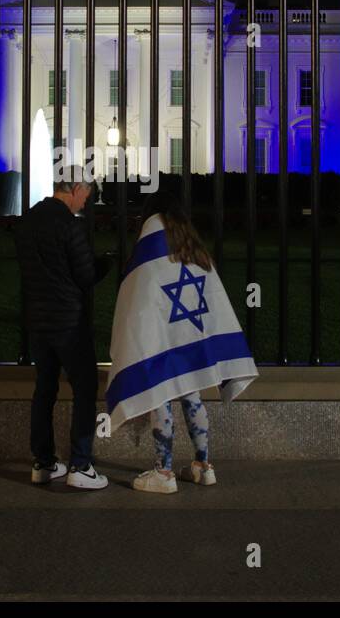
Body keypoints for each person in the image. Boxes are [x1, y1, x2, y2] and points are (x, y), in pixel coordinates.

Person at [106, 192, 257, 494]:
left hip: (162, 340)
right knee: (192, 393)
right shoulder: (193, 249)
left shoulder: (148, 252)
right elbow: (213, 298)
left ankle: (163, 471)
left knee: (161, 392)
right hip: (192, 338)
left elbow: (136, 302)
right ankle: (203, 465)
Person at [13, 166, 114, 489]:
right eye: (87, 193)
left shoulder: (27, 220)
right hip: (69, 321)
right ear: (74, 188)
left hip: (37, 320)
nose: (87, 200)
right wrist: (107, 262)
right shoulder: (69, 226)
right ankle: (80, 465)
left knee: (45, 389)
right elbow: (85, 276)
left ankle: (43, 462)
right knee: (84, 390)